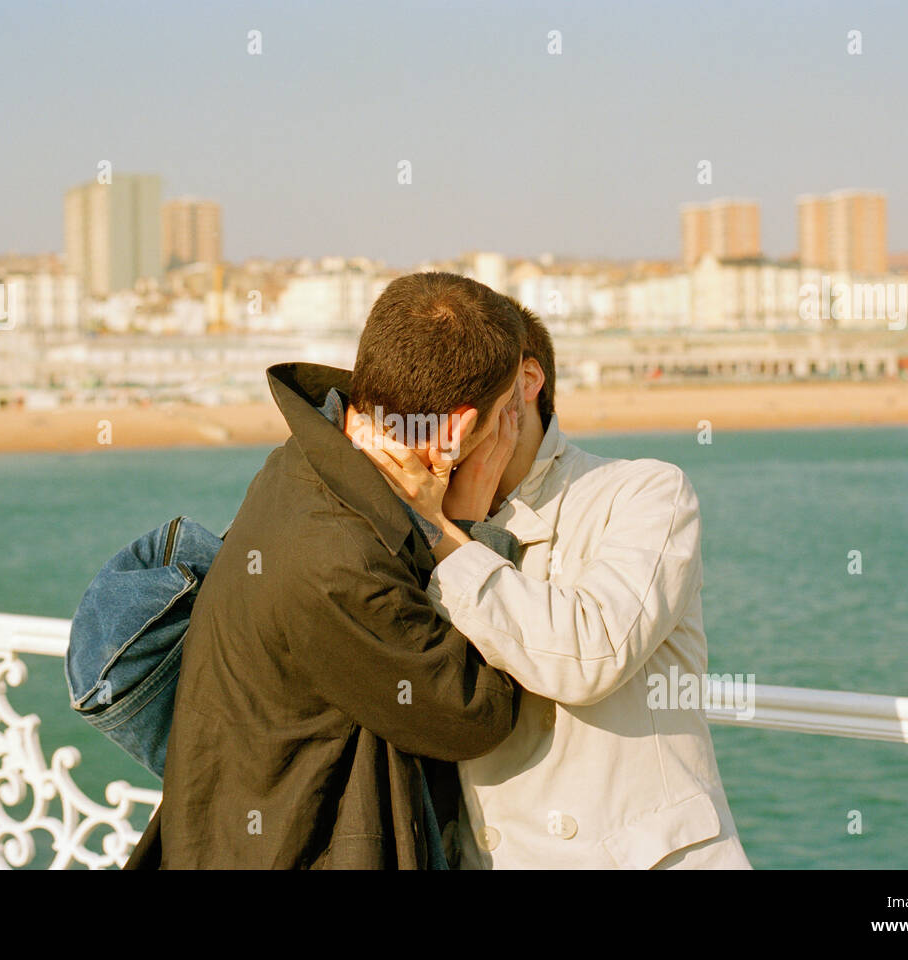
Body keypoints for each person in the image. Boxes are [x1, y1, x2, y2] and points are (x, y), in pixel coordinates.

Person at [125, 272, 524, 869]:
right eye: (506, 413)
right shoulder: (341, 561)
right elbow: (473, 714)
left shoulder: (305, 459)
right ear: (459, 428)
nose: (511, 430)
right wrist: (466, 528)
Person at [358, 298, 753, 869]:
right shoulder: (406, 520)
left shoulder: (643, 493)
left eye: (459, 395)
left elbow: (589, 654)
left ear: (525, 381)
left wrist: (445, 535)